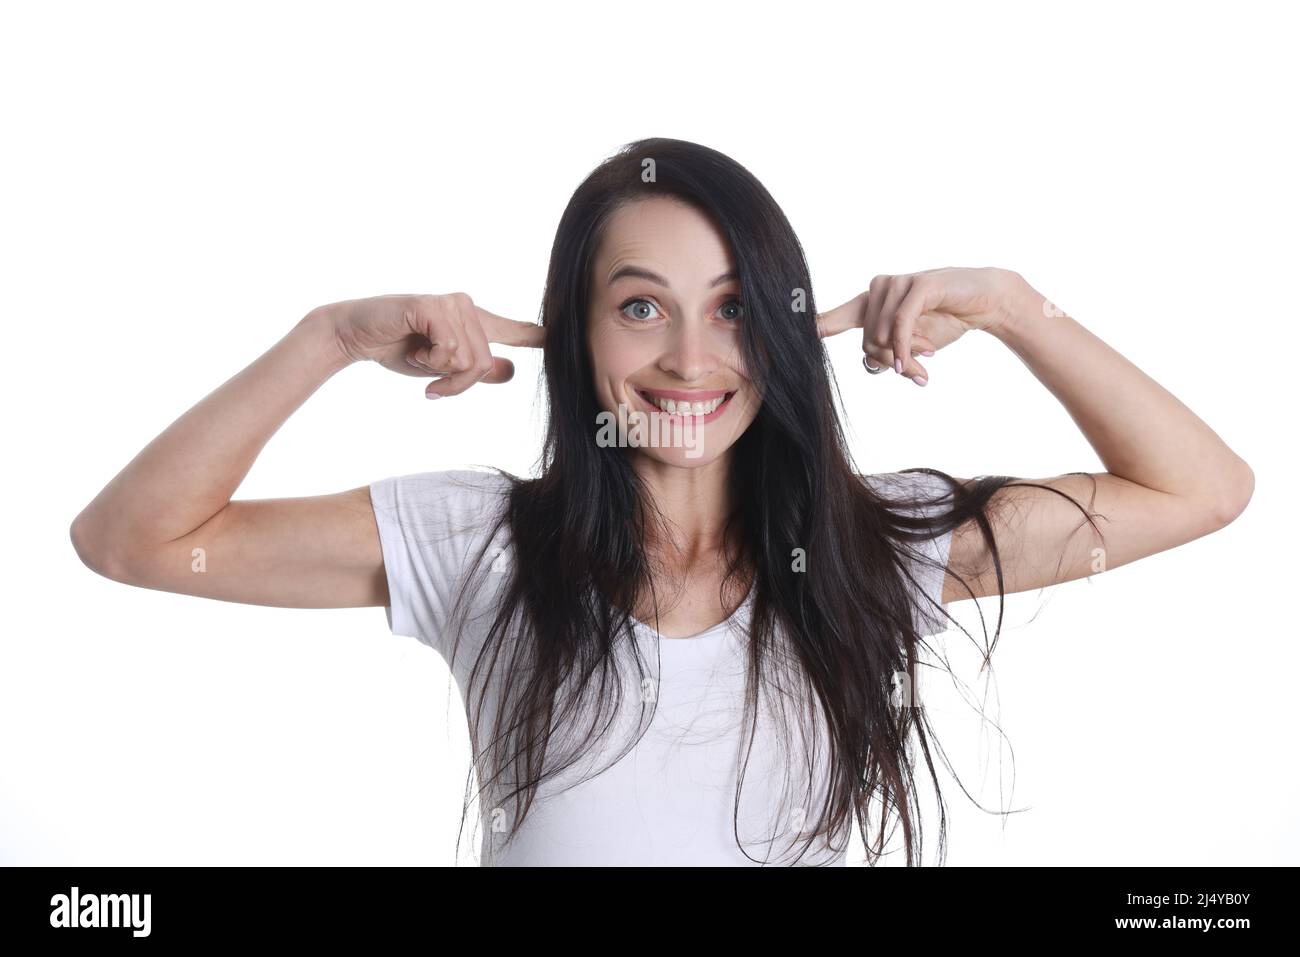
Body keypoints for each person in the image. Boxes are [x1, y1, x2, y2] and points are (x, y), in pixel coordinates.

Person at [70, 138, 1254, 866]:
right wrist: (326, 337)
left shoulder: (877, 546)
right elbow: (133, 541)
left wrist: (1009, 303)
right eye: (640, 306)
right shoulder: (480, 541)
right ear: (575, 333)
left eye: (735, 305)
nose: (692, 356)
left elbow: (1200, 491)